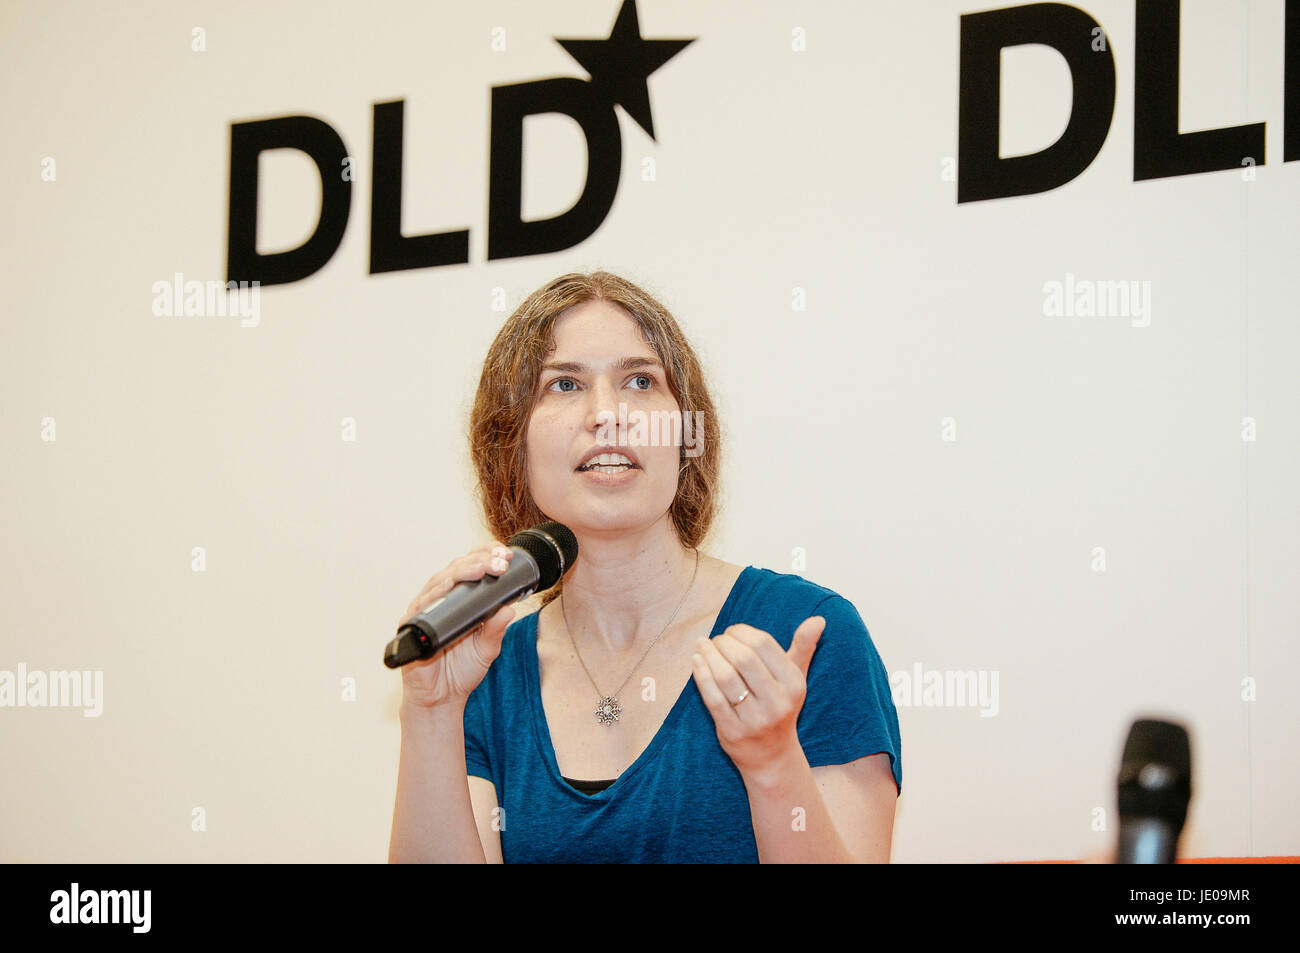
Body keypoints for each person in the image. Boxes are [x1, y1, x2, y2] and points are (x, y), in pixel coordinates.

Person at [388, 271, 901, 863]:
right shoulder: (485, 666)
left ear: (686, 434)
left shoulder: (804, 632)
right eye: (563, 384)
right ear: (511, 444)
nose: (608, 414)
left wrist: (771, 763)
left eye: (640, 380)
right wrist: (430, 711)